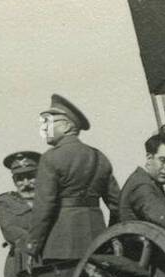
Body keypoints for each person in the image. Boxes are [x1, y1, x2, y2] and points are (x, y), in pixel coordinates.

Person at [25, 94, 121, 263]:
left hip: (61, 246)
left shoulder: (50, 158)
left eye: (49, 123)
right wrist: (112, 236)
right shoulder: (100, 157)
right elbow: (117, 204)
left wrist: (32, 247)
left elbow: (44, 209)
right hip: (99, 243)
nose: (44, 129)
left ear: (67, 126)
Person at [0, 149, 39, 277]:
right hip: (21, 263)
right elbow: (11, 231)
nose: (26, 183)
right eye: (20, 178)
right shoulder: (6, 202)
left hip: (52, 260)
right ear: (14, 180)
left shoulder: (52, 200)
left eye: (31, 176)